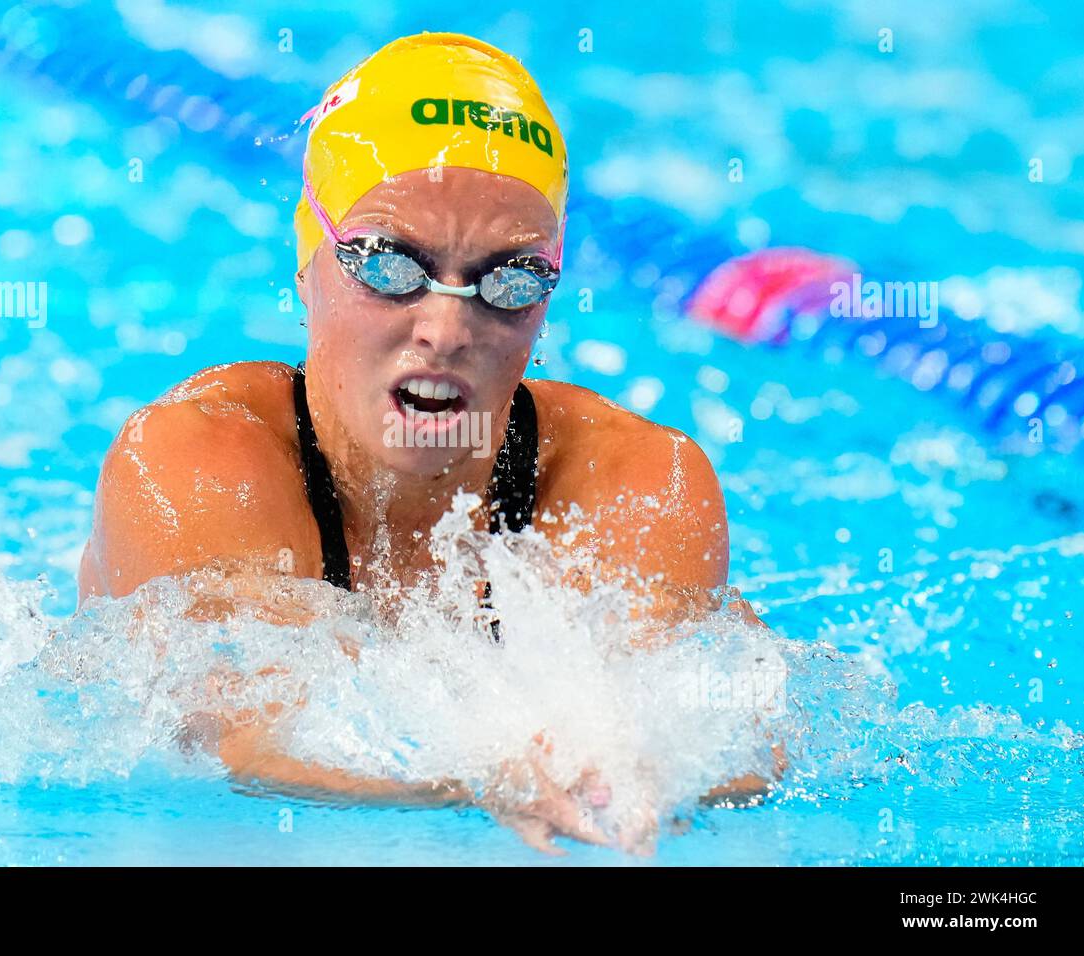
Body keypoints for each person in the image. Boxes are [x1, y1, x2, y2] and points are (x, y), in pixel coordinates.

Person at [78, 32, 778, 854]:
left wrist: (652, 767)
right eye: (387, 265)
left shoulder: (637, 481)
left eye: (508, 279)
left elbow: (729, 736)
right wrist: (468, 783)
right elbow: (246, 739)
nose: (447, 329)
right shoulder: (196, 463)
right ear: (309, 265)